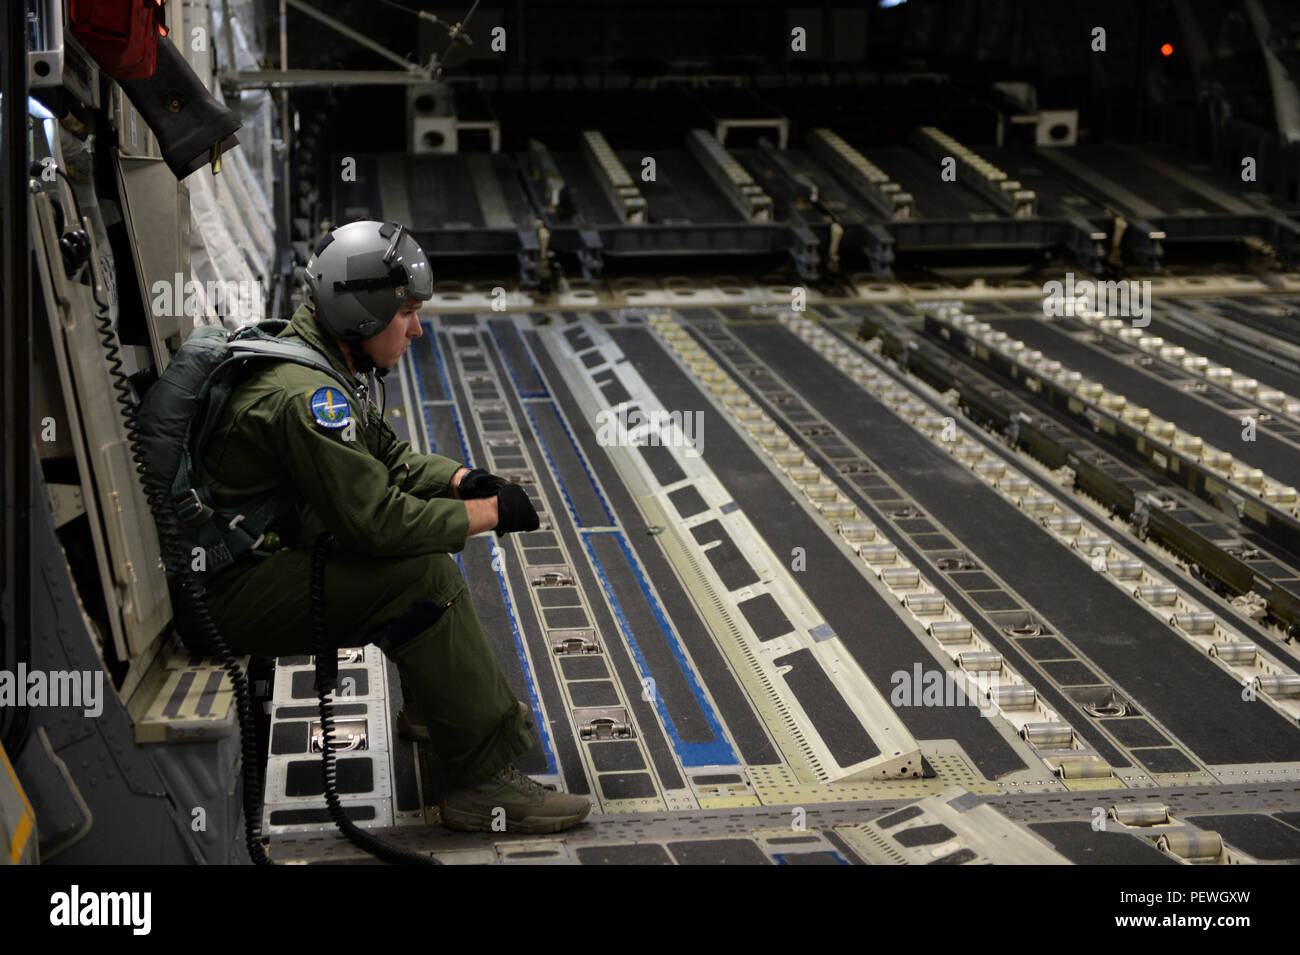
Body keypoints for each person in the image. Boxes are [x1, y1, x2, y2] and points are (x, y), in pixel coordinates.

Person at [197, 220, 590, 834]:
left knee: (418, 551)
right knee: (421, 574)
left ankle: (442, 710)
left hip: (243, 565)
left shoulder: (317, 360)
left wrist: (464, 481)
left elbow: (388, 460)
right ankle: (479, 782)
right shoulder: (306, 398)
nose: (417, 328)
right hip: (226, 597)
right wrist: (490, 516)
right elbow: (379, 523)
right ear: (362, 314)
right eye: (406, 312)